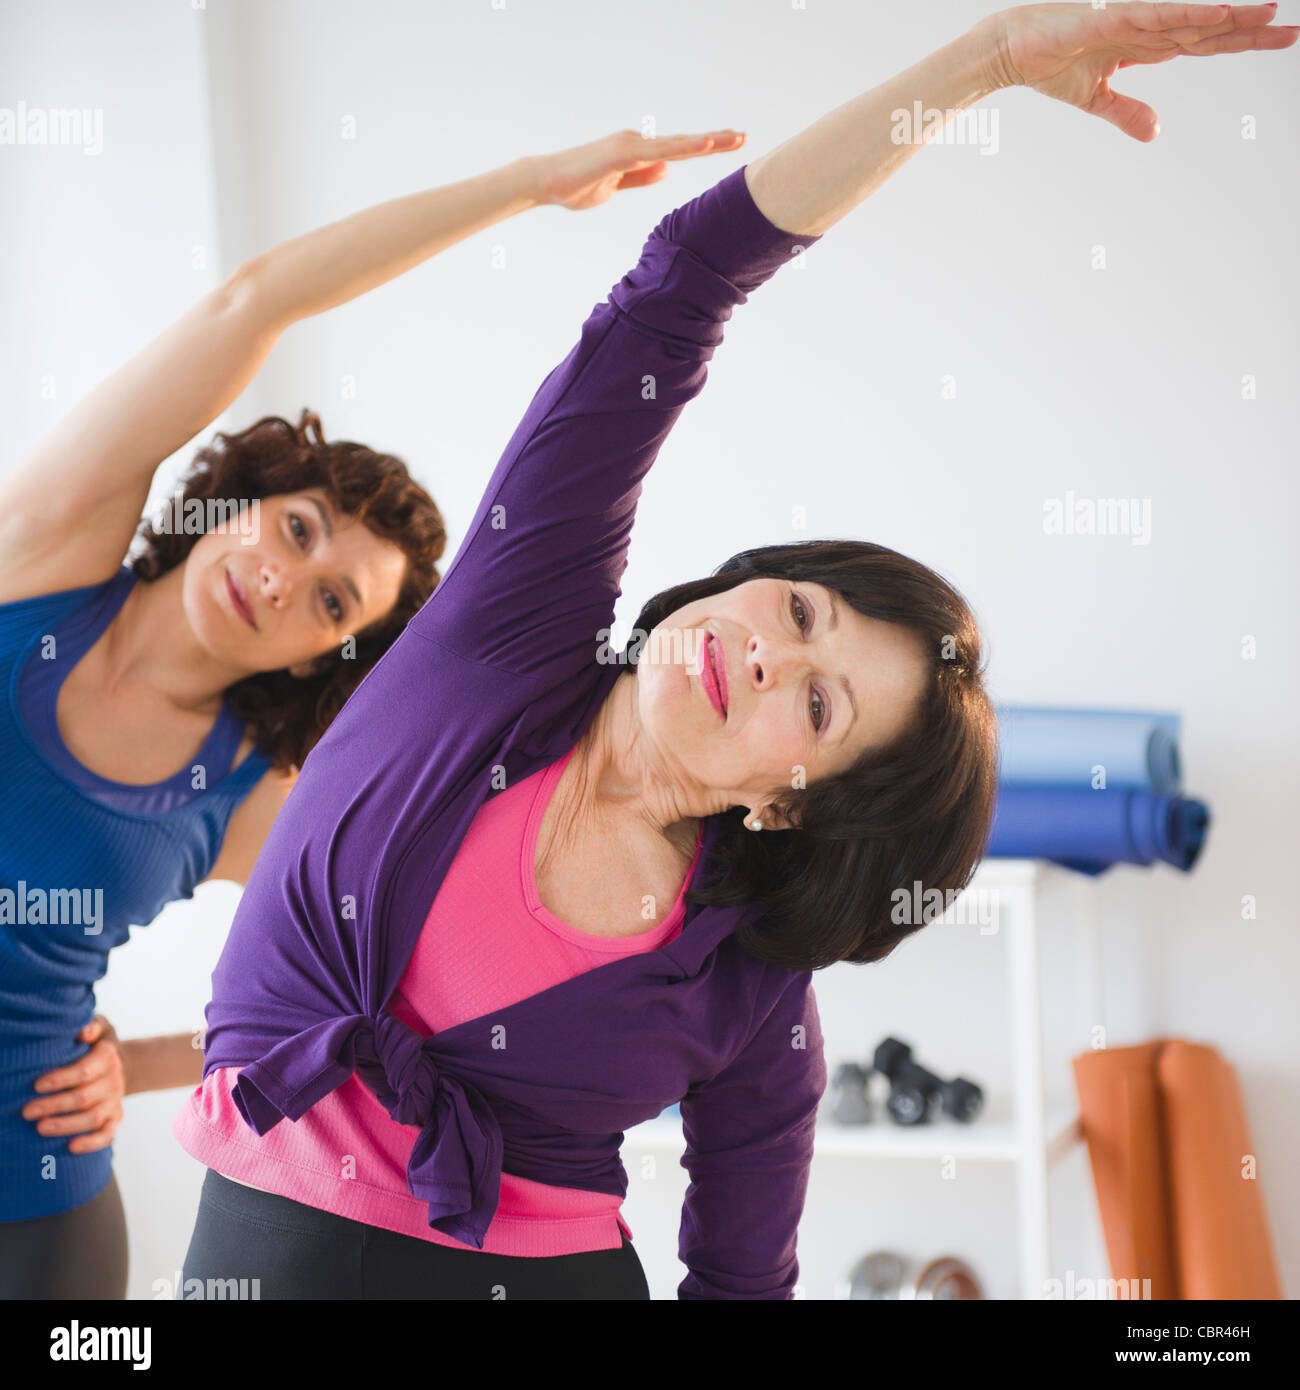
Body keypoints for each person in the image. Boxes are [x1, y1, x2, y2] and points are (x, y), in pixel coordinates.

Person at [177, 3, 1296, 1301]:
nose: (769, 652)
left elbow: (741, 1277)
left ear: (791, 800)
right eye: (803, 611)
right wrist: (984, 61)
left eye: (819, 706)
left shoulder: (752, 983)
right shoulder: (512, 631)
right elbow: (679, 290)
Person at [0, 127, 741, 1299]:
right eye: (296, 528)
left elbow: (360, 1013)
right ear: (243, 499)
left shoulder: (259, 794)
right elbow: (254, 298)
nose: (286, 579)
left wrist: (131, 1066)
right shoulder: (40, 553)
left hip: (29, 1199)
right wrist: (522, 183)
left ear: (328, 653)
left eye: (333, 598)